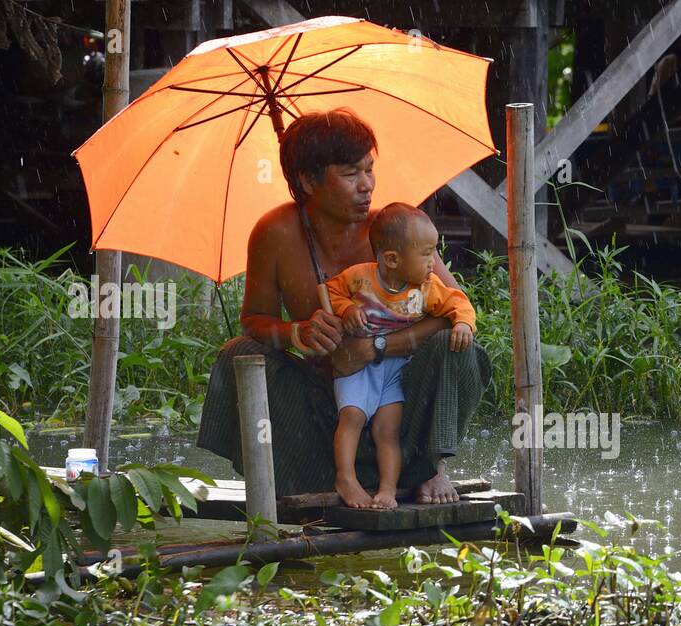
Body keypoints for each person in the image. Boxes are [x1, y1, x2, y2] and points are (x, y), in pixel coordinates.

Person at [195, 108, 491, 503]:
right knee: (238, 355)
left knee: (459, 347)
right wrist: (298, 333)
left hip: (400, 396)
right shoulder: (275, 233)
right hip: (328, 403)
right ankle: (319, 478)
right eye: (351, 174)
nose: (366, 185)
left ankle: (429, 469)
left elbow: (455, 310)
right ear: (307, 181)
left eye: (369, 170)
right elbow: (254, 322)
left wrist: (375, 348)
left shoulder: (392, 234)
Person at [326, 202, 476, 510]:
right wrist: (348, 309)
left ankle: (387, 489)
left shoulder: (426, 288)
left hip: (395, 368)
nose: (434, 262)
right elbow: (331, 292)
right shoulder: (360, 278)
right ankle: (346, 478)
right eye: (426, 254)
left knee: (387, 429)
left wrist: (463, 323)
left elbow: (458, 302)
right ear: (392, 259)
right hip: (358, 367)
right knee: (352, 416)